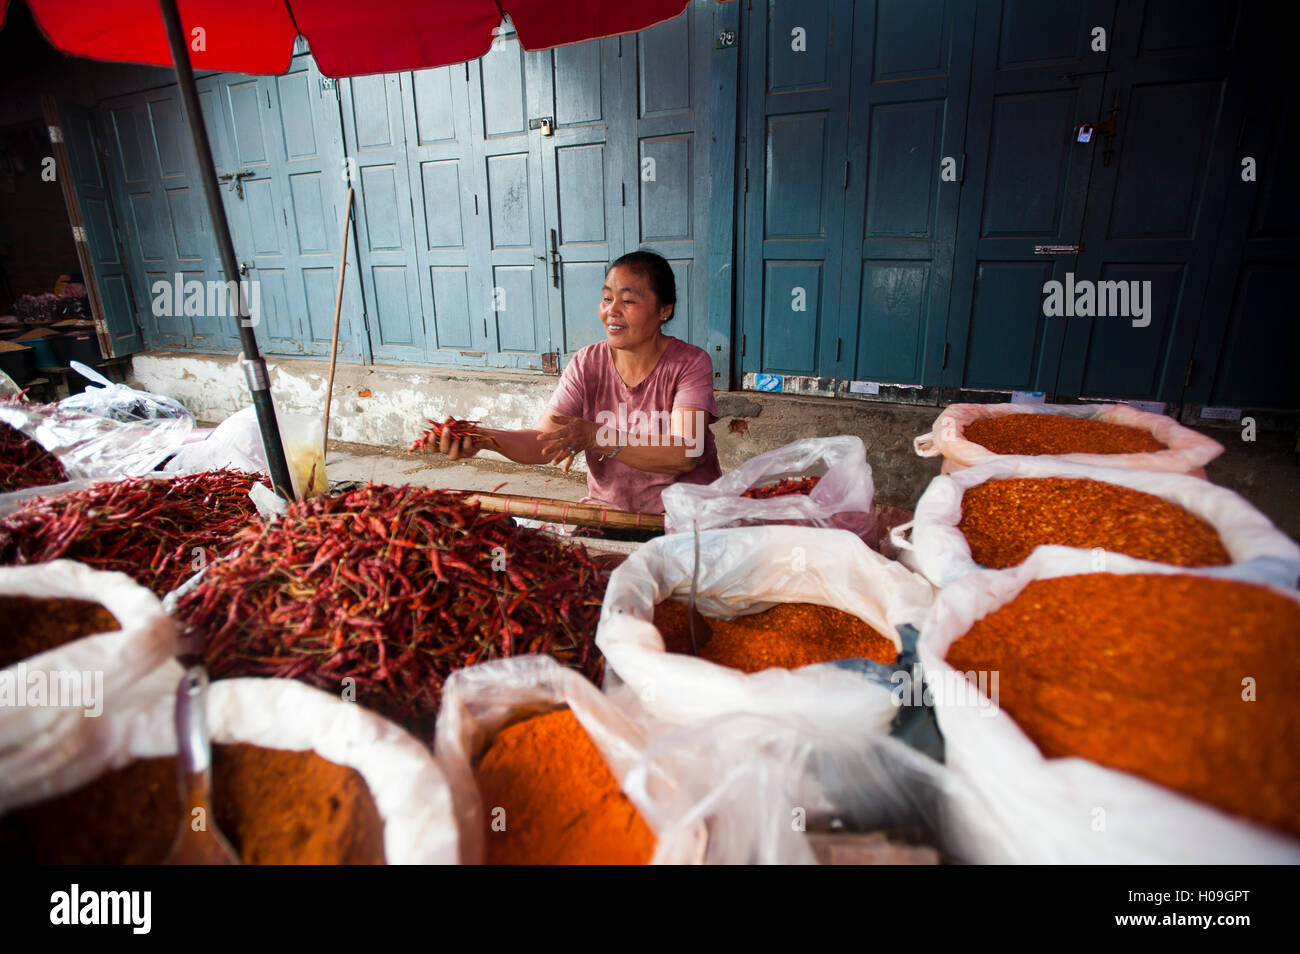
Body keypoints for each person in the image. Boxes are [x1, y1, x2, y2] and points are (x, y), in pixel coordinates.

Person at [433, 250, 722, 513]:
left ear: (664, 310)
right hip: (610, 515)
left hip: (688, 518)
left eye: (629, 300)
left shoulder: (690, 364)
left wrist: (597, 437)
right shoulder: (587, 363)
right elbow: (542, 443)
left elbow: (686, 453)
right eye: (607, 299)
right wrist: (486, 439)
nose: (612, 310)